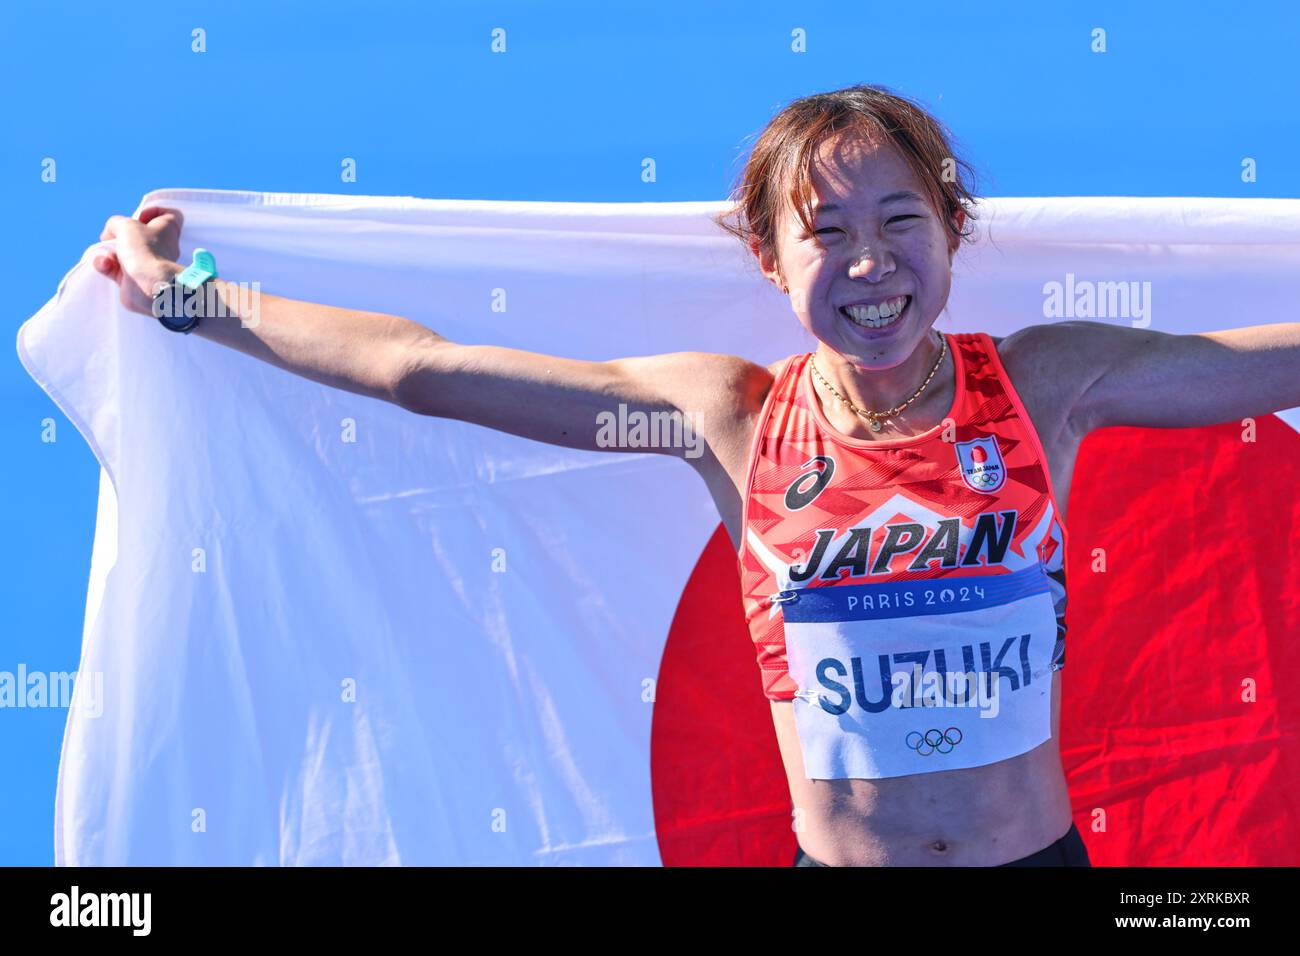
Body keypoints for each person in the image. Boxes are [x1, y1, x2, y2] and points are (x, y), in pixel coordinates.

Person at [91, 84, 1298, 867]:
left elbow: (1267, 362)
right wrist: (188, 302)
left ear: (950, 230)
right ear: (773, 263)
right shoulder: (727, 415)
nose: (867, 261)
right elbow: (424, 368)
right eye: (824, 232)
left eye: (898, 220)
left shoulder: (1047, 384)